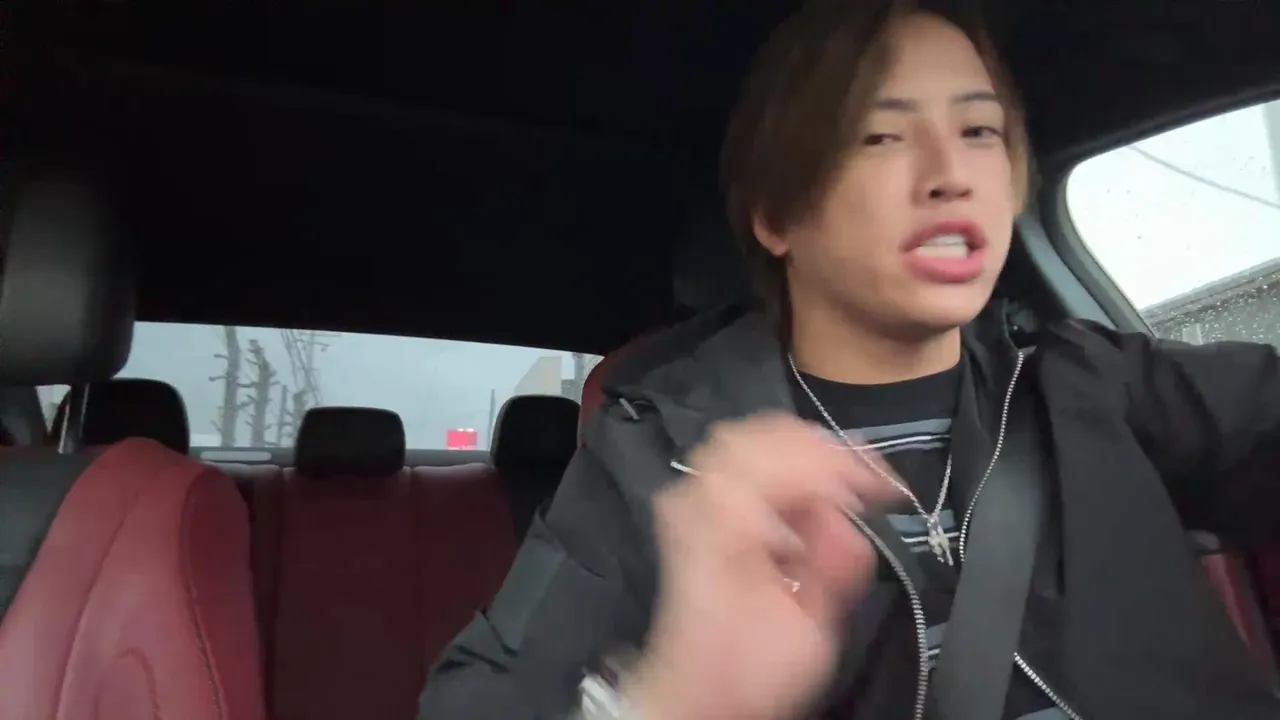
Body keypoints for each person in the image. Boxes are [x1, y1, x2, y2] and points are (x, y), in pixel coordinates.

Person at [418, 1, 1280, 718]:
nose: (950, 172)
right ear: (776, 216)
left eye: (980, 130)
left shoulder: (1093, 379)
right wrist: (671, 700)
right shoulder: (661, 454)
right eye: (880, 137)